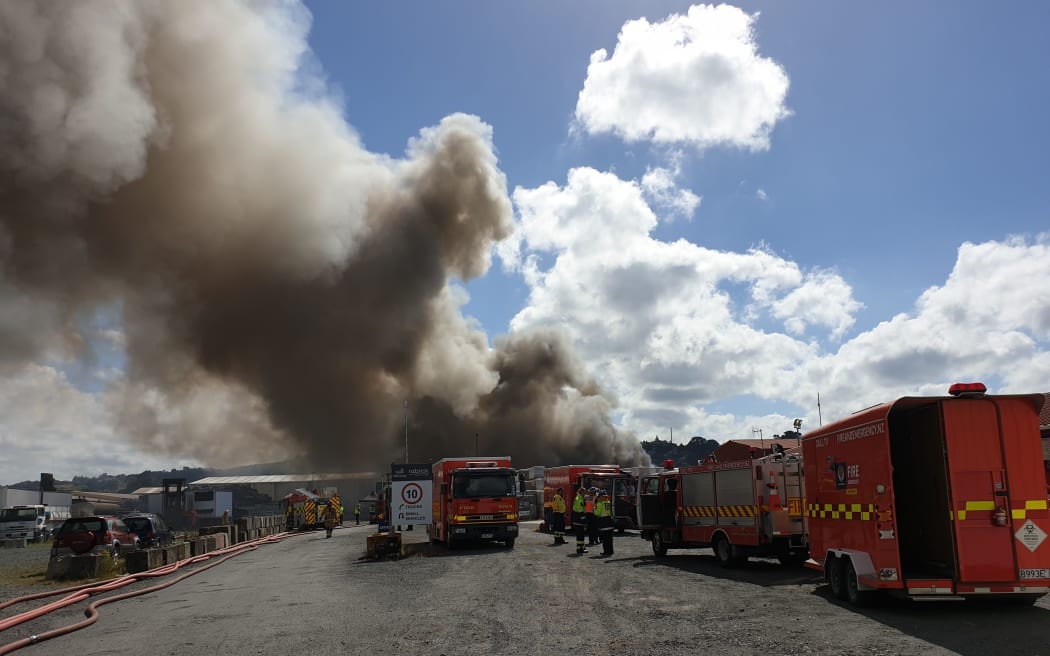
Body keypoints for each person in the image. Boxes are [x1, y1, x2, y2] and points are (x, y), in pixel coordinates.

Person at [594, 489, 614, 556]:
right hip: (609, 521)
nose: (598, 497)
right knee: (609, 538)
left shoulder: (600, 503)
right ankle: (610, 551)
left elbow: (597, 513)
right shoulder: (608, 502)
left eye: (599, 496)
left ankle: (606, 552)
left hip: (603, 521)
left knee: (605, 538)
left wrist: (594, 509)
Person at [572, 487, 588, 554]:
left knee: (581, 535)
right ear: (581, 492)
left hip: (577, 519)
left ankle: (581, 548)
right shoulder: (579, 499)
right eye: (584, 492)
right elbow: (580, 511)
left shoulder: (579, 498)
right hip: (578, 520)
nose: (585, 493)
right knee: (580, 535)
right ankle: (579, 549)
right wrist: (584, 520)